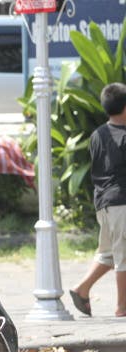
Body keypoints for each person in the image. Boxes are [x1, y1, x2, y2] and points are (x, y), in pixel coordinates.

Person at [70, 82, 126, 318]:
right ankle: (122, 308)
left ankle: (81, 289)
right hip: (121, 203)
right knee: (123, 257)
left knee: (109, 254)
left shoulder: (97, 134)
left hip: (103, 203)